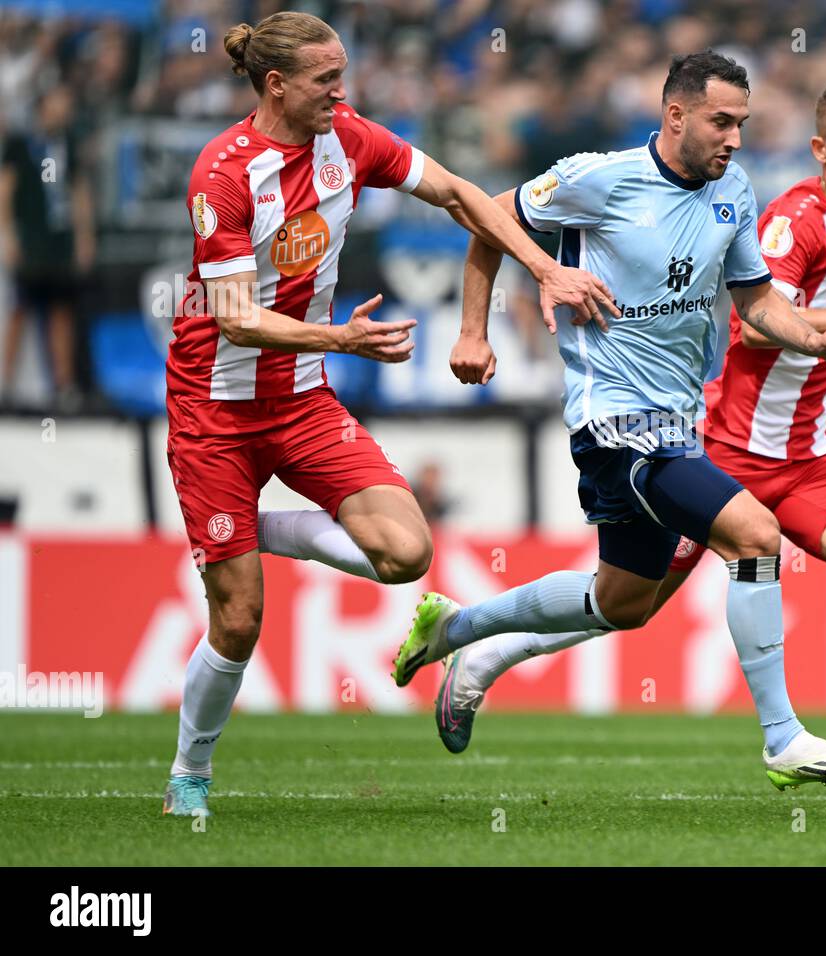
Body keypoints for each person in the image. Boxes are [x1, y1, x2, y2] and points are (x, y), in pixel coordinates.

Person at [163, 12, 615, 818]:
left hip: (302, 400)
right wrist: (337, 335)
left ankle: (235, 530)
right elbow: (233, 316)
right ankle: (189, 774)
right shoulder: (223, 174)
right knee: (239, 620)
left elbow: (460, 194)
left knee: (406, 554)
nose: (344, 90)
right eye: (326, 79)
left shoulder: (351, 139)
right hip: (216, 408)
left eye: (344, 74)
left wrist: (544, 267)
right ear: (276, 85)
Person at [394, 52, 826, 790]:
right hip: (614, 422)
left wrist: (811, 334)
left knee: (620, 602)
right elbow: (485, 215)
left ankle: (458, 629)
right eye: (721, 122)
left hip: (678, 424)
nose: (734, 139)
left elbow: (754, 302)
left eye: (743, 124)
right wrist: (473, 330)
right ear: (676, 115)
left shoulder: (735, 191)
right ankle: (783, 739)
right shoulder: (600, 178)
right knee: (754, 535)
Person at [0, 83, 93, 409]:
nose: (65, 106)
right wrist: (8, 235)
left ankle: (63, 386)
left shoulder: (68, 141)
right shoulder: (21, 144)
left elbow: (79, 192)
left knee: (61, 311)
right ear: (44, 104)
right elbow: (6, 191)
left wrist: (84, 238)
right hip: (31, 240)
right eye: (59, 98)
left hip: (60, 241)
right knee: (20, 310)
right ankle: (8, 384)